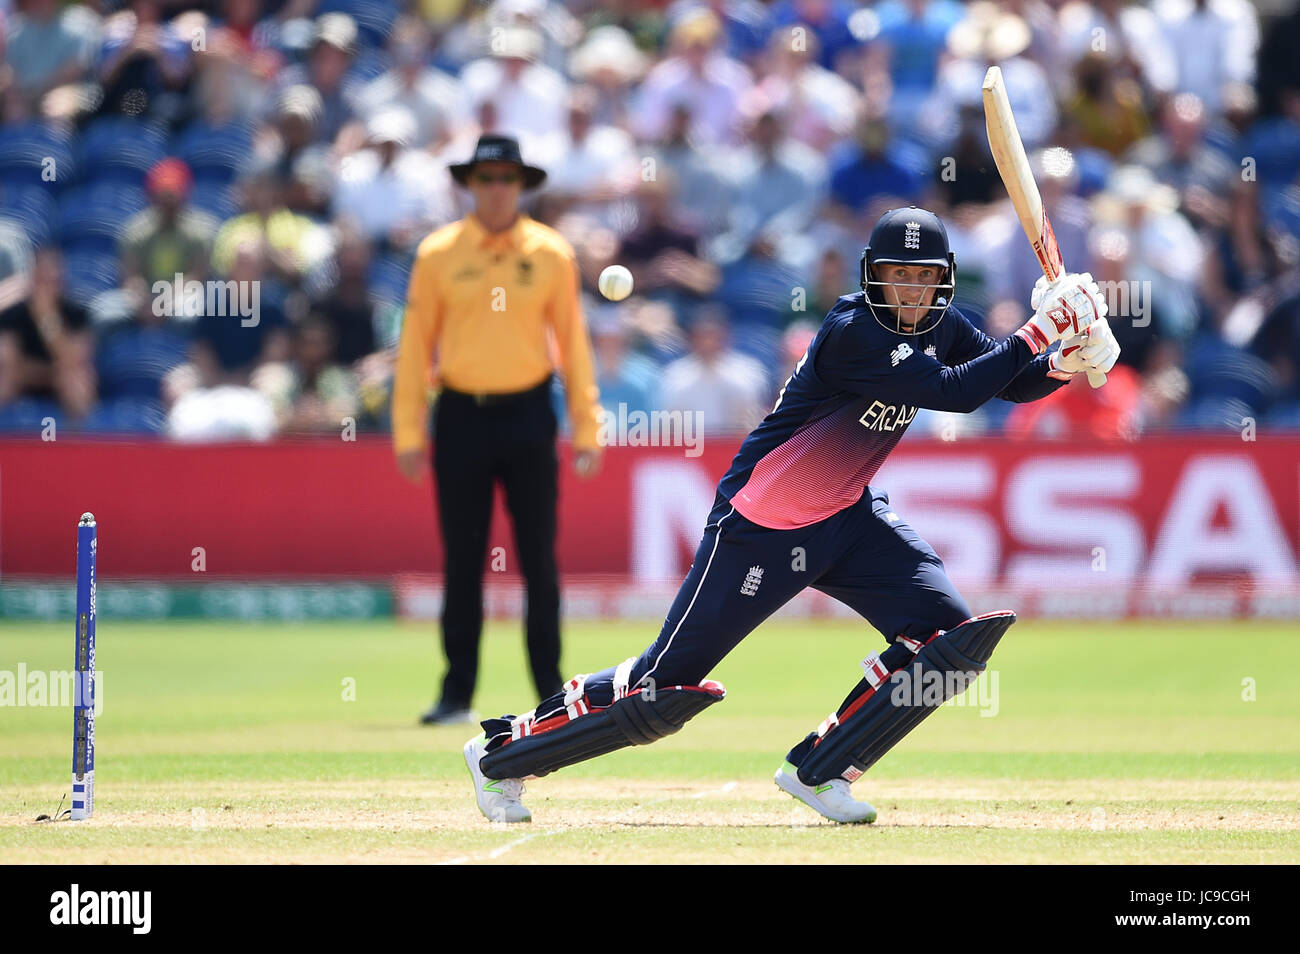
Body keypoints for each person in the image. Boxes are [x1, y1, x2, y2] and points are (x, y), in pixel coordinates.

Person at [462, 206, 1119, 823]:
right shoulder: (852, 330)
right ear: (872, 277)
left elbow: (1004, 382)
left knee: (947, 642)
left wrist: (1062, 361)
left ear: (944, 281)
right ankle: (502, 758)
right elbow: (953, 393)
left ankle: (822, 770)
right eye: (899, 277)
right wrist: (1041, 330)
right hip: (762, 525)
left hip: (849, 520)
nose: (913, 292)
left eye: (925, 279)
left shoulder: (941, 327)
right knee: (663, 690)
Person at [393, 134, 604, 726]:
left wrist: (588, 424)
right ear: (469, 184)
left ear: (521, 185)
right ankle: (457, 693)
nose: (496, 189)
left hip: (528, 412)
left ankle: (552, 696)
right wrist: (408, 431)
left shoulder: (551, 252)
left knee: (539, 556)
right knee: (462, 558)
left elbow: (573, 343)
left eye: (506, 178)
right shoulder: (438, 253)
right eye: (485, 179)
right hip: (461, 412)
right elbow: (414, 346)